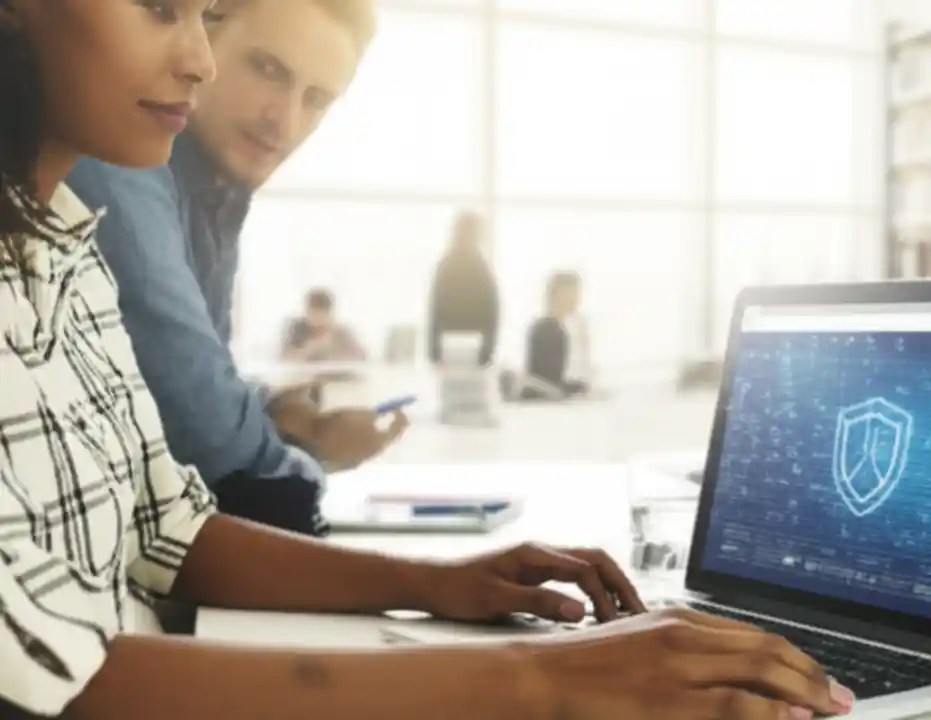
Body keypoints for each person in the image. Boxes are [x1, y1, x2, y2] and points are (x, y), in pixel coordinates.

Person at [0, 3, 856, 718]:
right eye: (159, 7)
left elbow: (168, 530)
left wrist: (440, 582)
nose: (200, 60)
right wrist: (548, 678)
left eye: (204, 13)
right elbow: (65, 682)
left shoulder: (70, 257)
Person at [66, 0, 406, 527]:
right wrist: (307, 459)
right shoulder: (123, 156)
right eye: (267, 69)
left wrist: (279, 419)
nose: (284, 121)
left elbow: (194, 383)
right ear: (205, 37)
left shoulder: (216, 189)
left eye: (315, 99)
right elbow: (220, 455)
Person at [428, 210, 499, 367]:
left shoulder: (480, 268)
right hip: (450, 348)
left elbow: (492, 312)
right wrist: (434, 353)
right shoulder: (448, 267)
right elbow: (435, 311)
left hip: (474, 348)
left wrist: (488, 351)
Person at [524, 271, 591, 400]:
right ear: (562, 294)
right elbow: (546, 382)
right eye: (576, 293)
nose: (579, 300)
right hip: (544, 402)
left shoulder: (548, 327)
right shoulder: (550, 330)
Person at [282, 287, 367, 363]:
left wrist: (334, 353)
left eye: (321, 315)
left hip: (336, 377)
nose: (317, 321)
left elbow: (362, 357)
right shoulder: (298, 329)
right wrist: (309, 350)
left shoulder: (341, 332)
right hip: (303, 378)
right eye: (313, 314)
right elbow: (285, 360)